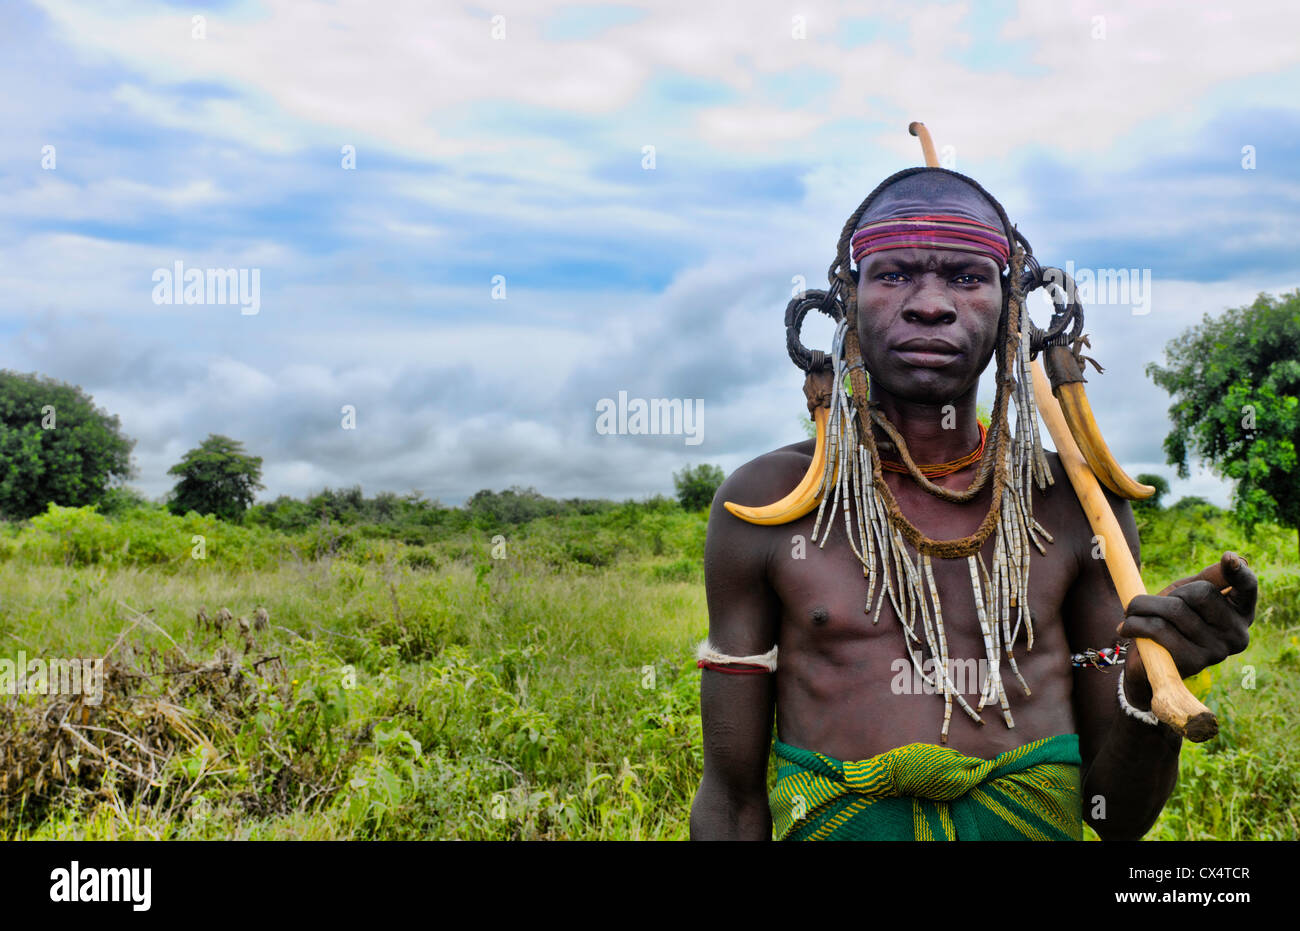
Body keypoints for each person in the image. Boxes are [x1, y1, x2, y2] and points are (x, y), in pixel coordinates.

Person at [689, 167, 1257, 841]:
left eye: (966, 277)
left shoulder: (1075, 505)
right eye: (895, 274)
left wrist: (1145, 685)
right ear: (847, 305)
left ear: (1011, 309)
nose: (930, 303)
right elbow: (730, 801)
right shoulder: (768, 504)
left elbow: (1118, 818)